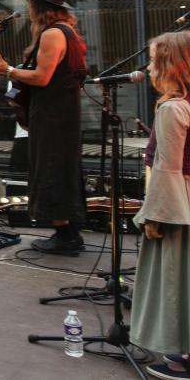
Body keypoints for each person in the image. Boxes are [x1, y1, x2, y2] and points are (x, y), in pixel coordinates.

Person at [0, 0, 88, 255]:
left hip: (53, 115)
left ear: (40, 7)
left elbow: (42, 77)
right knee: (60, 169)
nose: (28, 8)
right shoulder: (68, 31)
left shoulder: (53, 34)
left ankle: (65, 236)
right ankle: (70, 233)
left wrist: (8, 71)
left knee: (51, 169)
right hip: (62, 113)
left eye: (31, 3)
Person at [131, 31, 190, 380]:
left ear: (170, 65)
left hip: (177, 207)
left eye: (154, 60)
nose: (149, 67)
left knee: (174, 281)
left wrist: (155, 215)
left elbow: (167, 167)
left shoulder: (171, 109)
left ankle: (181, 358)